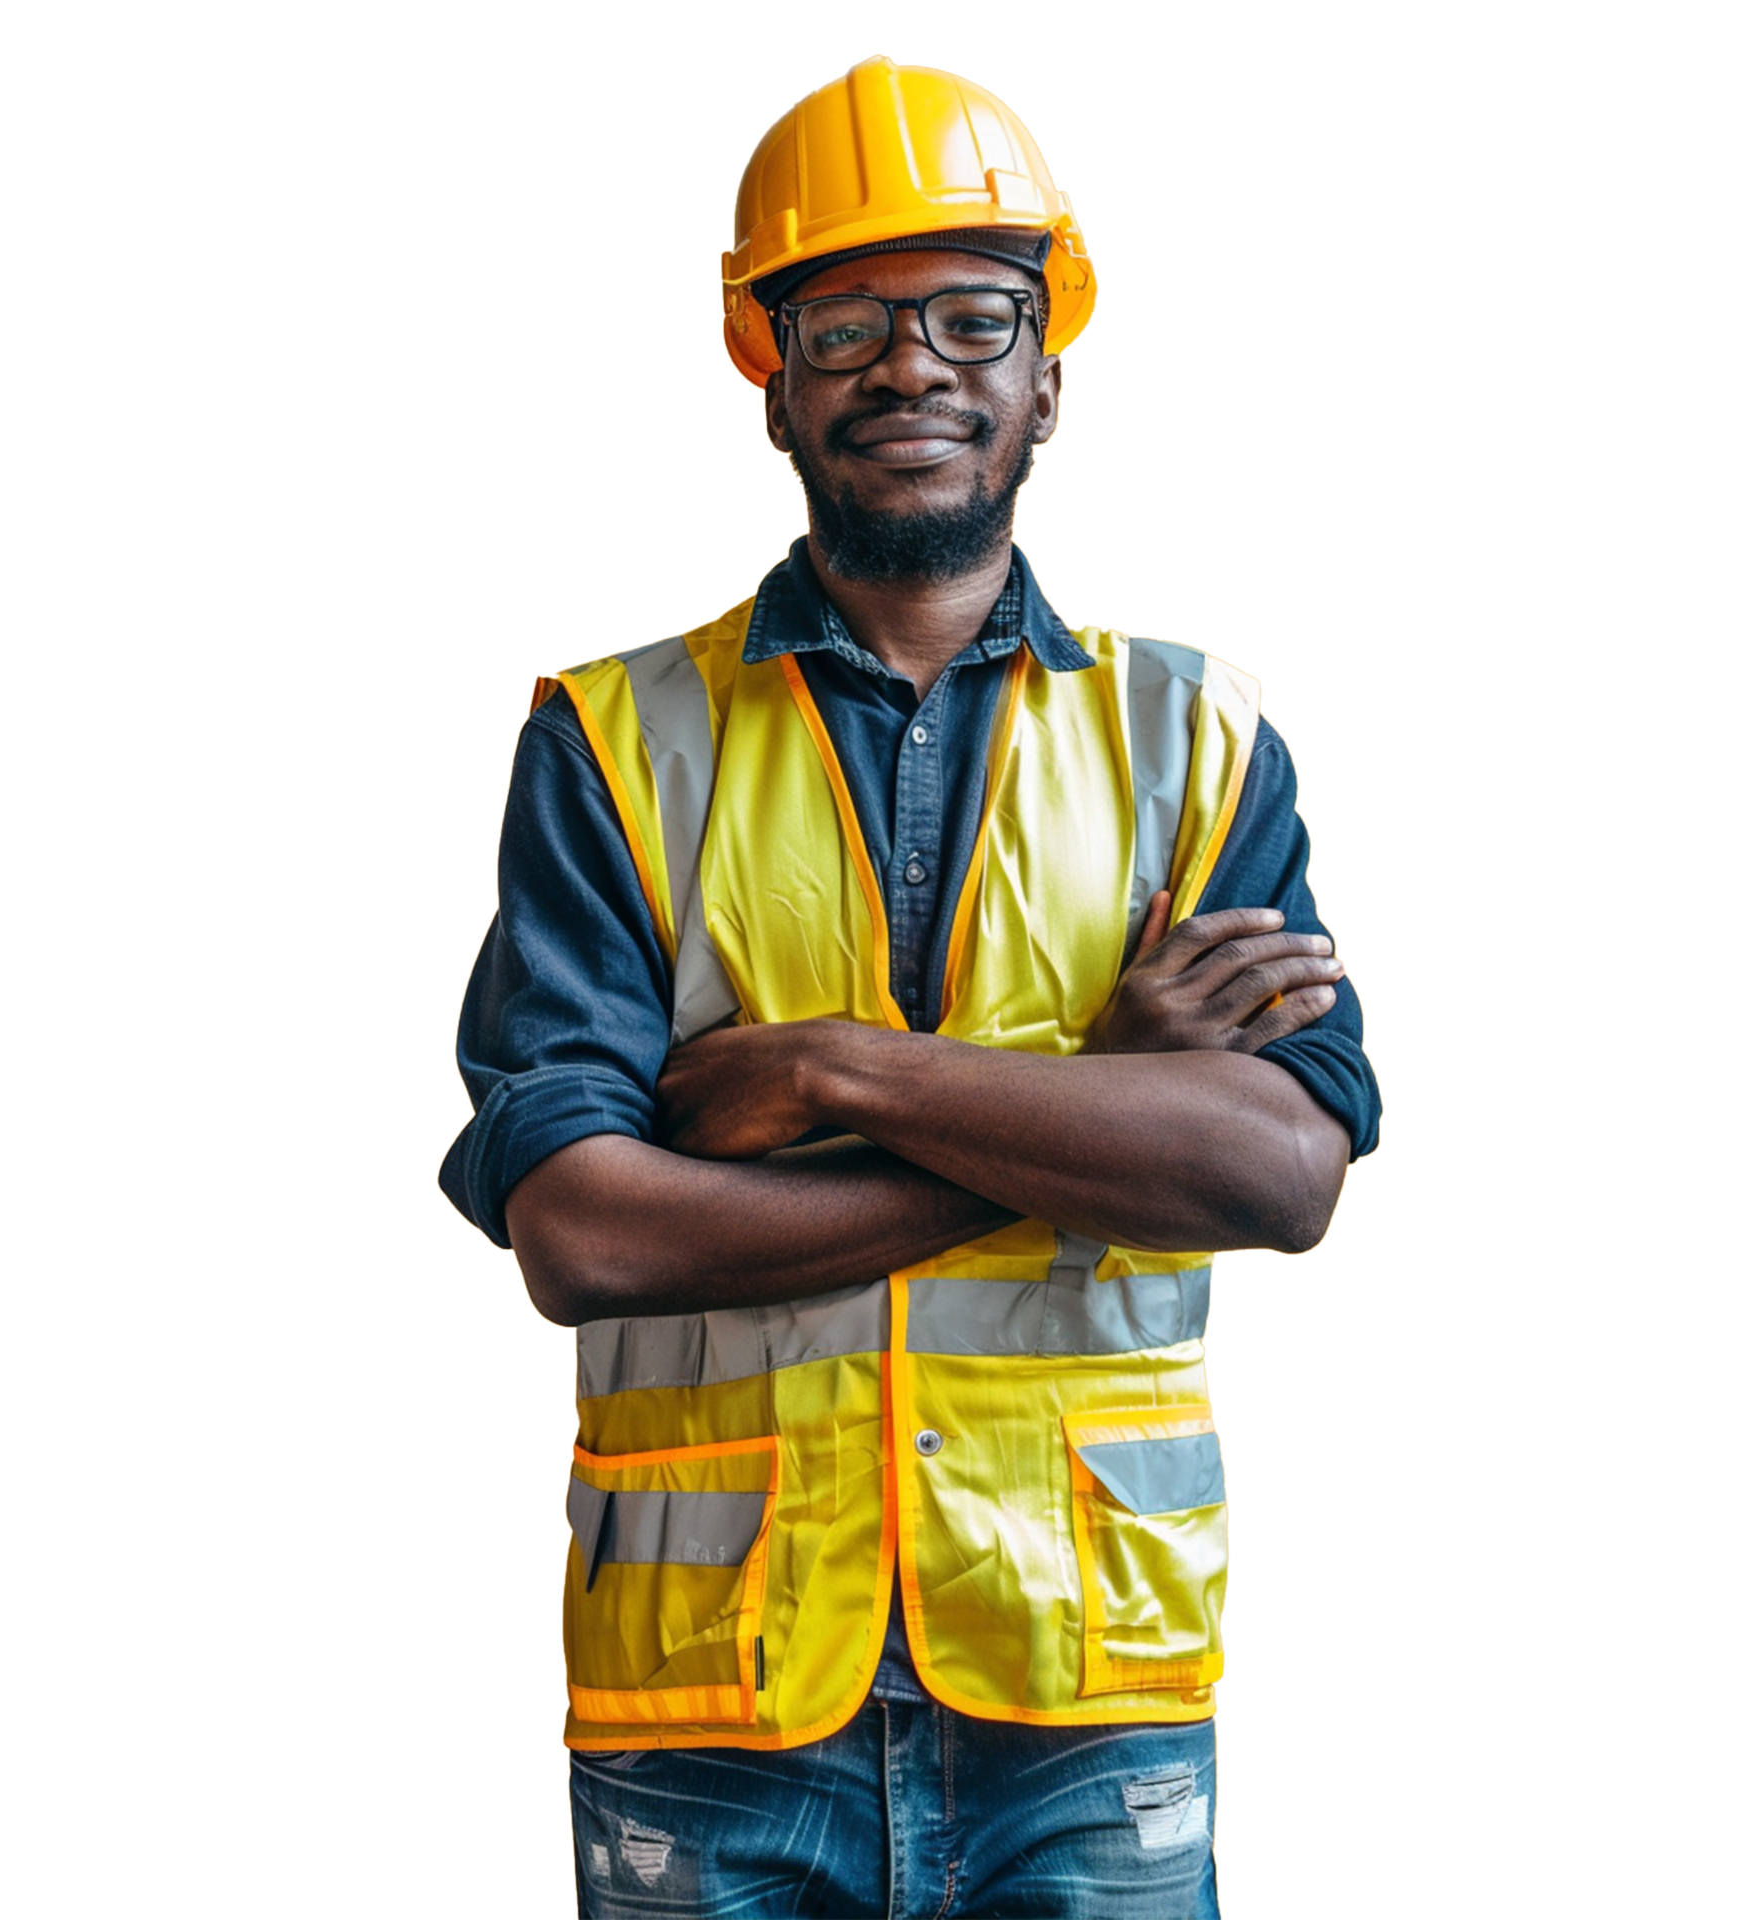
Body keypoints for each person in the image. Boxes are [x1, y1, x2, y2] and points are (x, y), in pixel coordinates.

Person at [438, 53, 1380, 1918]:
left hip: (1088, 1678)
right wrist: (1096, 1101)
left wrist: (843, 1071)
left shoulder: (1200, 735)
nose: (913, 365)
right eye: (847, 319)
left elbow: (1275, 1181)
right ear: (764, 372)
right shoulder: (613, 736)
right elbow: (583, 1239)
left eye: (974, 316)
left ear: (1049, 373)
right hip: (709, 1699)